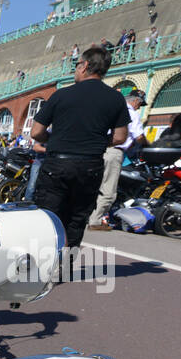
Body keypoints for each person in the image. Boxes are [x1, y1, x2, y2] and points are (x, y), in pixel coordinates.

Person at [29, 46, 129, 251]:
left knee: (48, 216)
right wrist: (99, 141)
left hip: (57, 162)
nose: (75, 70)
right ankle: (65, 266)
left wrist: (55, 138)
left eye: (77, 65)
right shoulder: (115, 98)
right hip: (90, 164)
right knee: (76, 218)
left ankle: (43, 265)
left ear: (84, 66)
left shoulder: (61, 95)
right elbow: (120, 137)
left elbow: (36, 132)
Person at [88, 88, 146, 230]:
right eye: (139, 104)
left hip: (97, 149)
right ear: (135, 101)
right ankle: (95, 221)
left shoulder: (112, 109)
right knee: (108, 190)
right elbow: (139, 137)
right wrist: (150, 146)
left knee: (94, 185)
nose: (139, 107)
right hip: (114, 151)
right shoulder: (131, 114)